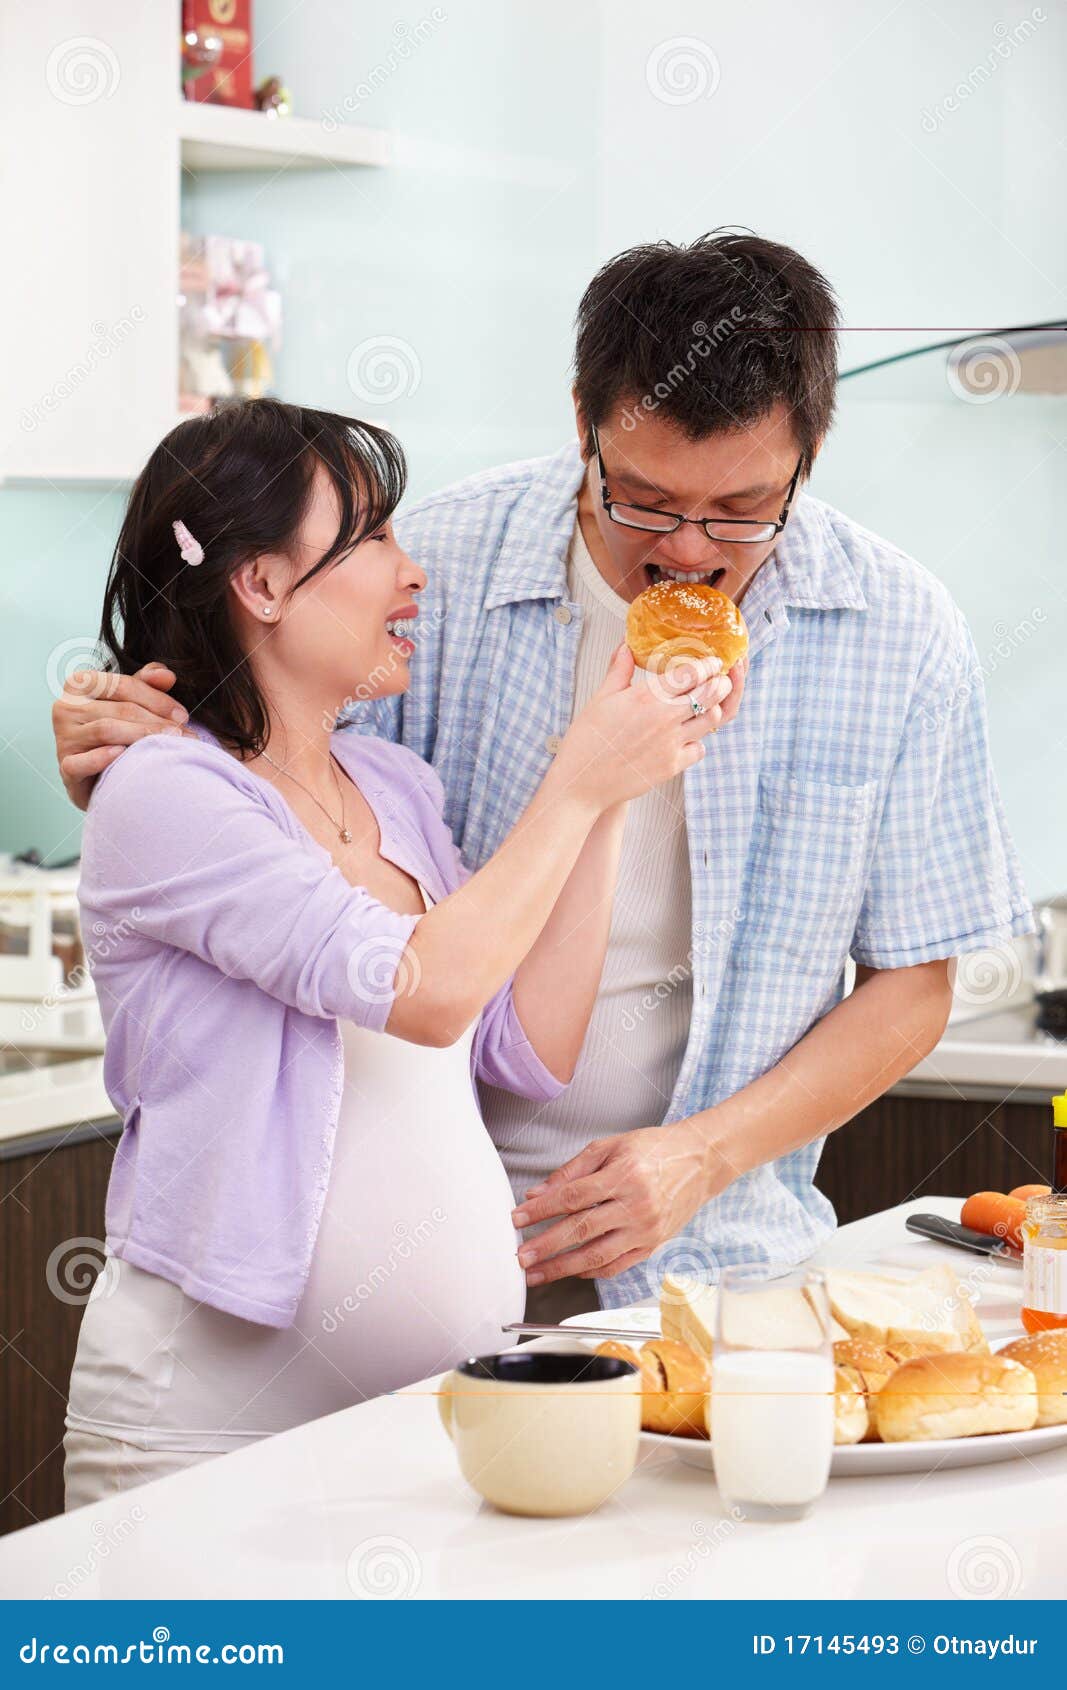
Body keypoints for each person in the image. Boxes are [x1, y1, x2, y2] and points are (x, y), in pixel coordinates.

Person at [53, 232, 1032, 1326]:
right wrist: (138, 733)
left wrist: (697, 1160)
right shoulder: (431, 576)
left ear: (809, 453)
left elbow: (912, 987)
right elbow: (267, 793)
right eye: (647, 502)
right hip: (428, 1263)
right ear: (583, 423)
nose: (692, 554)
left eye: (743, 510)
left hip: (724, 1259)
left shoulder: (899, 631)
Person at [60, 398, 728, 1507]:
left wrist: (618, 794)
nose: (411, 573)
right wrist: (577, 780)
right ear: (263, 585)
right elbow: (418, 994)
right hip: (202, 1441)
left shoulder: (393, 787)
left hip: (420, 1437)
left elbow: (526, 1041)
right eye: (372, 540)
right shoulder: (163, 794)